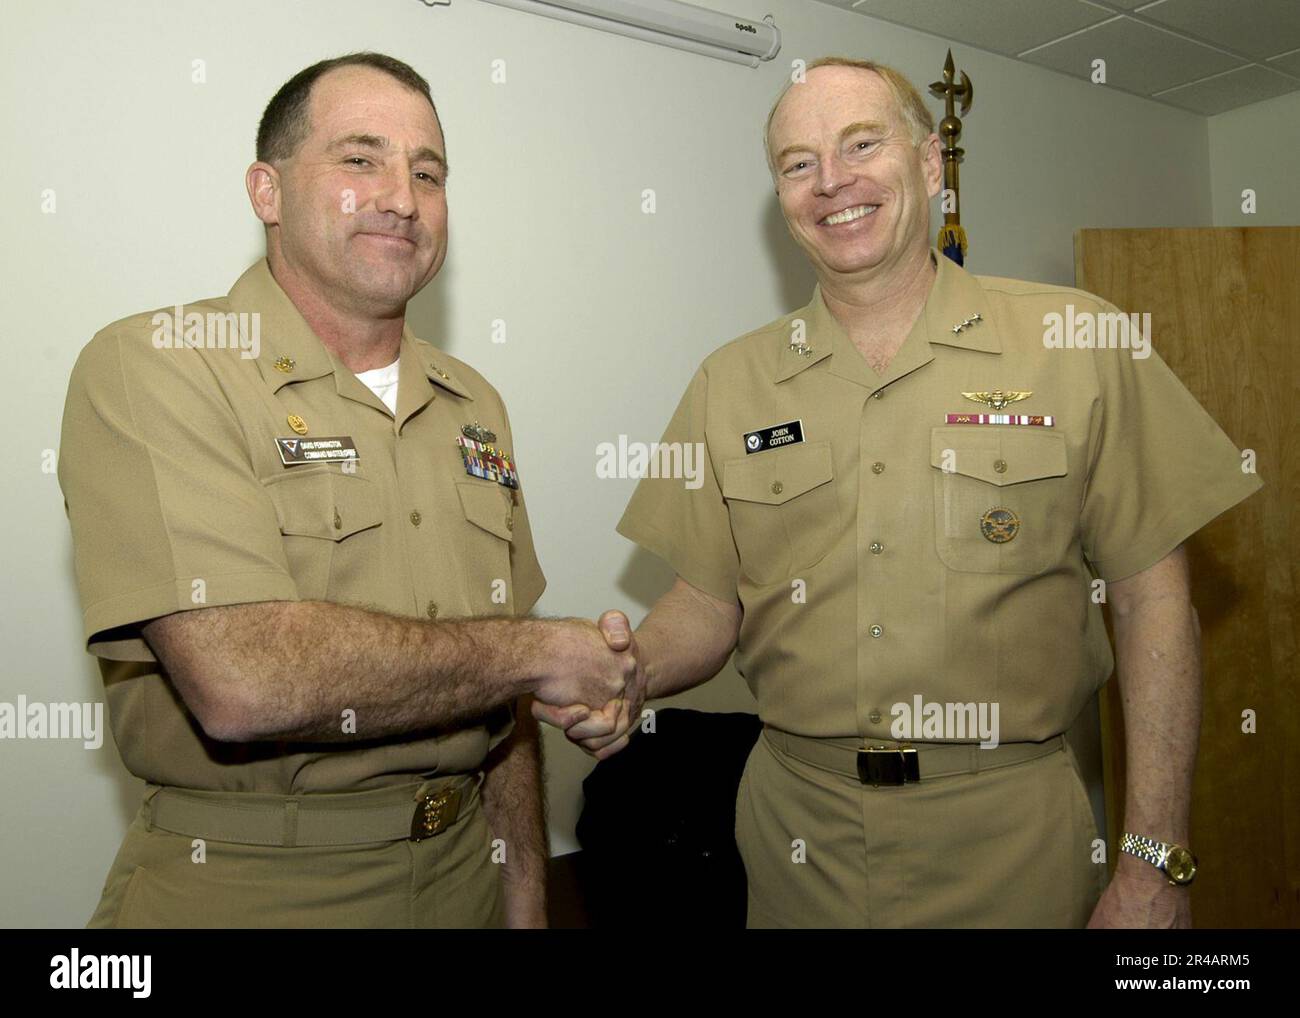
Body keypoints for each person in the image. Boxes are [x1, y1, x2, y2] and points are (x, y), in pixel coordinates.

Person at [539, 57, 1262, 928]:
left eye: (860, 144)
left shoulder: (1077, 341)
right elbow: (707, 600)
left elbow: (1154, 604)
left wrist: (1156, 862)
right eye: (798, 163)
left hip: (1009, 836)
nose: (831, 181)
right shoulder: (730, 383)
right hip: (796, 839)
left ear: (927, 166)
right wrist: (632, 670)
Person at [58, 52, 633, 929]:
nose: (402, 196)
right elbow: (242, 679)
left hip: (463, 877)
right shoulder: (158, 366)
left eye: (428, 172)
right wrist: (540, 651)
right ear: (267, 191)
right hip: (256, 883)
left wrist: (521, 896)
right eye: (360, 159)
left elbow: (503, 699)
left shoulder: (475, 404)